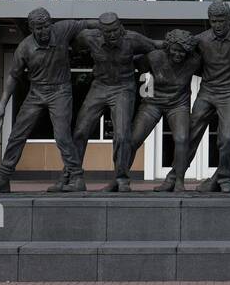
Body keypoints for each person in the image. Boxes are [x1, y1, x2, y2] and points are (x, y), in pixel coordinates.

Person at [0, 7, 89, 194]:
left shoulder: (62, 29)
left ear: (50, 24)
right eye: (38, 28)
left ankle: (77, 177)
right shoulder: (24, 47)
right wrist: (2, 103)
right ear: (32, 29)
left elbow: (87, 23)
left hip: (60, 90)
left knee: (62, 136)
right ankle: (3, 178)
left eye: (46, 26)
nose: (43, 31)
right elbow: (13, 76)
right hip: (36, 92)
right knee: (17, 134)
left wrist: (109, 24)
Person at [69, 12, 161, 192]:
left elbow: (154, 47)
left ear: (121, 28)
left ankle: (121, 178)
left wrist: (141, 64)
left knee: (122, 135)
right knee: (80, 131)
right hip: (99, 86)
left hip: (123, 88)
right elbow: (71, 45)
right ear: (100, 31)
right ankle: (73, 177)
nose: (112, 35)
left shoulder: (132, 39)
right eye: (108, 32)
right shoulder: (88, 38)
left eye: (115, 31)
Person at [188, 1, 230, 194]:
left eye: (221, 21)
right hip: (208, 91)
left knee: (227, 137)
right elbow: (185, 58)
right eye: (213, 21)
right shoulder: (201, 40)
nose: (217, 25)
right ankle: (175, 176)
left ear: (229, 19)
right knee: (189, 132)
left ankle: (226, 178)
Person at [131, 29, 201, 193]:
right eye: (175, 50)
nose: (178, 54)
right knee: (134, 139)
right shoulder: (154, 57)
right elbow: (139, 69)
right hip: (152, 103)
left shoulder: (194, 62)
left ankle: (179, 181)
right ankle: (120, 178)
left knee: (182, 139)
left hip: (178, 105)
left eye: (182, 51)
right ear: (168, 47)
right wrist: (144, 93)